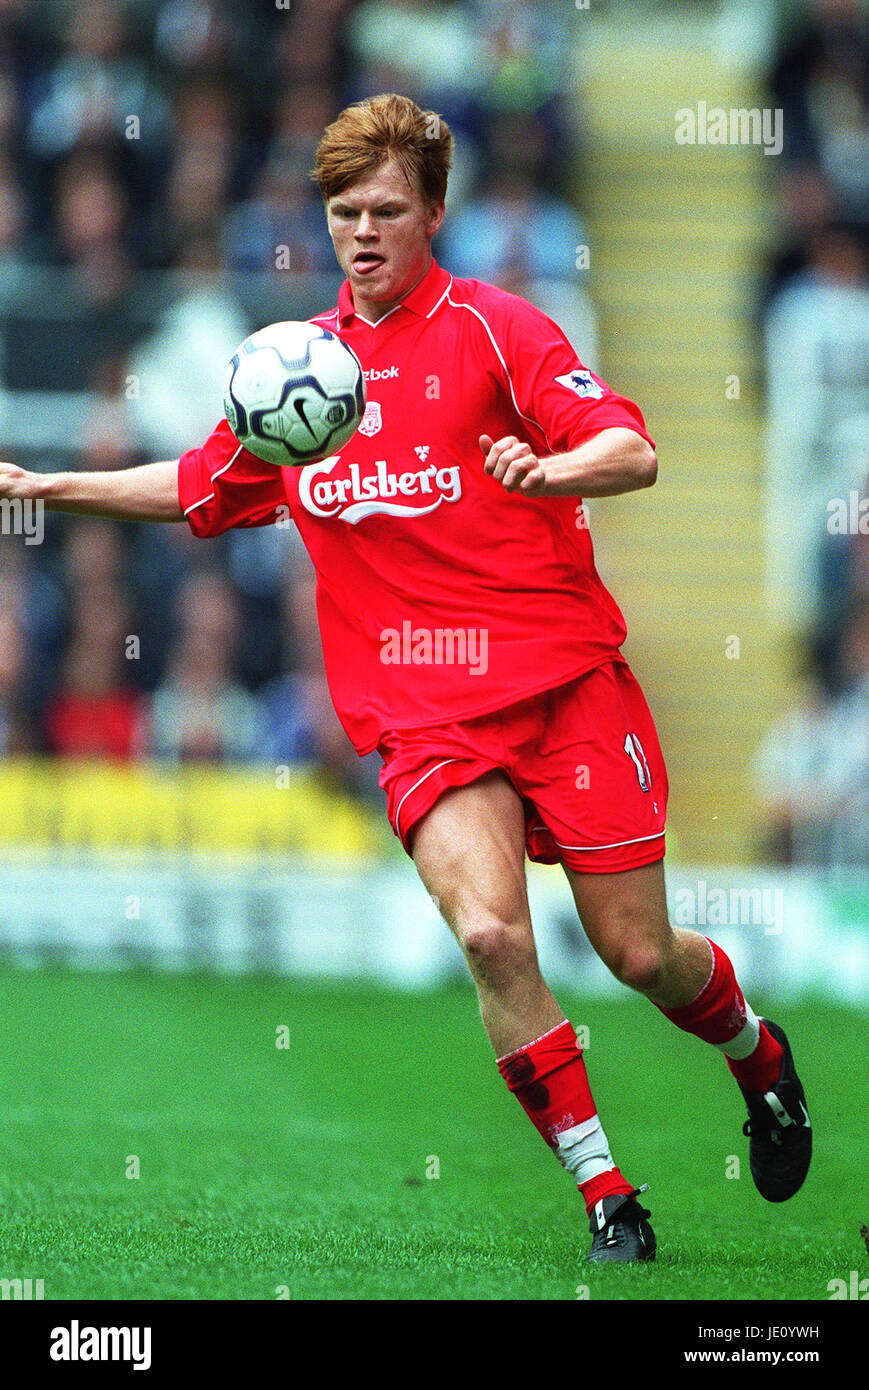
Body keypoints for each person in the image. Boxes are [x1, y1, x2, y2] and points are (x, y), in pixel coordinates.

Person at [0, 93, 812, 1264]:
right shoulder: (302, 377)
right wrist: (51, 486)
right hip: (423, 715)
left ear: (434, 211)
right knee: (488, 934)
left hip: (561, 683)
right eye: (343, 212)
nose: (364, 231)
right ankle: (606, 1195)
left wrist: (547, 471)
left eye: (387, 208)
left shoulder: (497, 332)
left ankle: (757, 1057)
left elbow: (631, 449)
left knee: (641, 955)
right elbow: (193, 483)